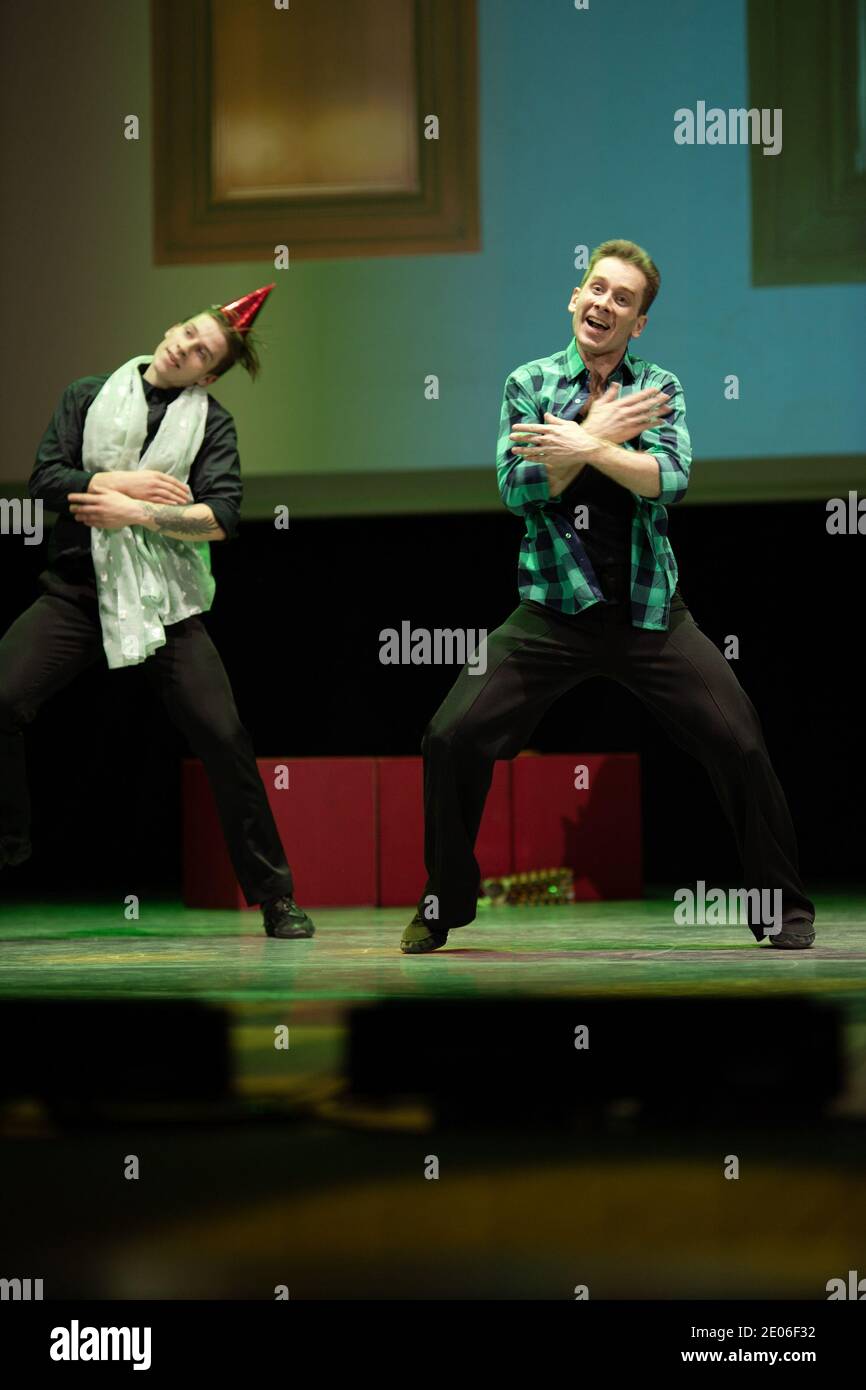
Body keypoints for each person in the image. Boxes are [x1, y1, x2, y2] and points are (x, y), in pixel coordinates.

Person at [401, 239, 815, 955]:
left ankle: (780, 910)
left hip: (651, 611)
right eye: (597, 289)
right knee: (451, 734)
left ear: (639, 323)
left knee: (741, 741)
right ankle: (446, 900)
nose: (605, 304)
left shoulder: (659, 387)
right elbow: (518, 488)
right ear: (575, 298)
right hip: (553, 609)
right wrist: (602, 435)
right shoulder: (528, 382)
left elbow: (669, 480)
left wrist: (583, 448)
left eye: (623, 299)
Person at [0, 285, 314, 940]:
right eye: (186, 330)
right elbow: (44, 478)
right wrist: (115, 482)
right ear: (172, 328)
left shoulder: (212, 426)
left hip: (165, 601)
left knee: (225, 739)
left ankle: (275, 897)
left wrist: (138, 512)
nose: (184, 344)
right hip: (79, 592)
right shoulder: (88, 394)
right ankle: (9, 839)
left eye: (203, 348)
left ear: (210, 371)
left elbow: (221, 518)